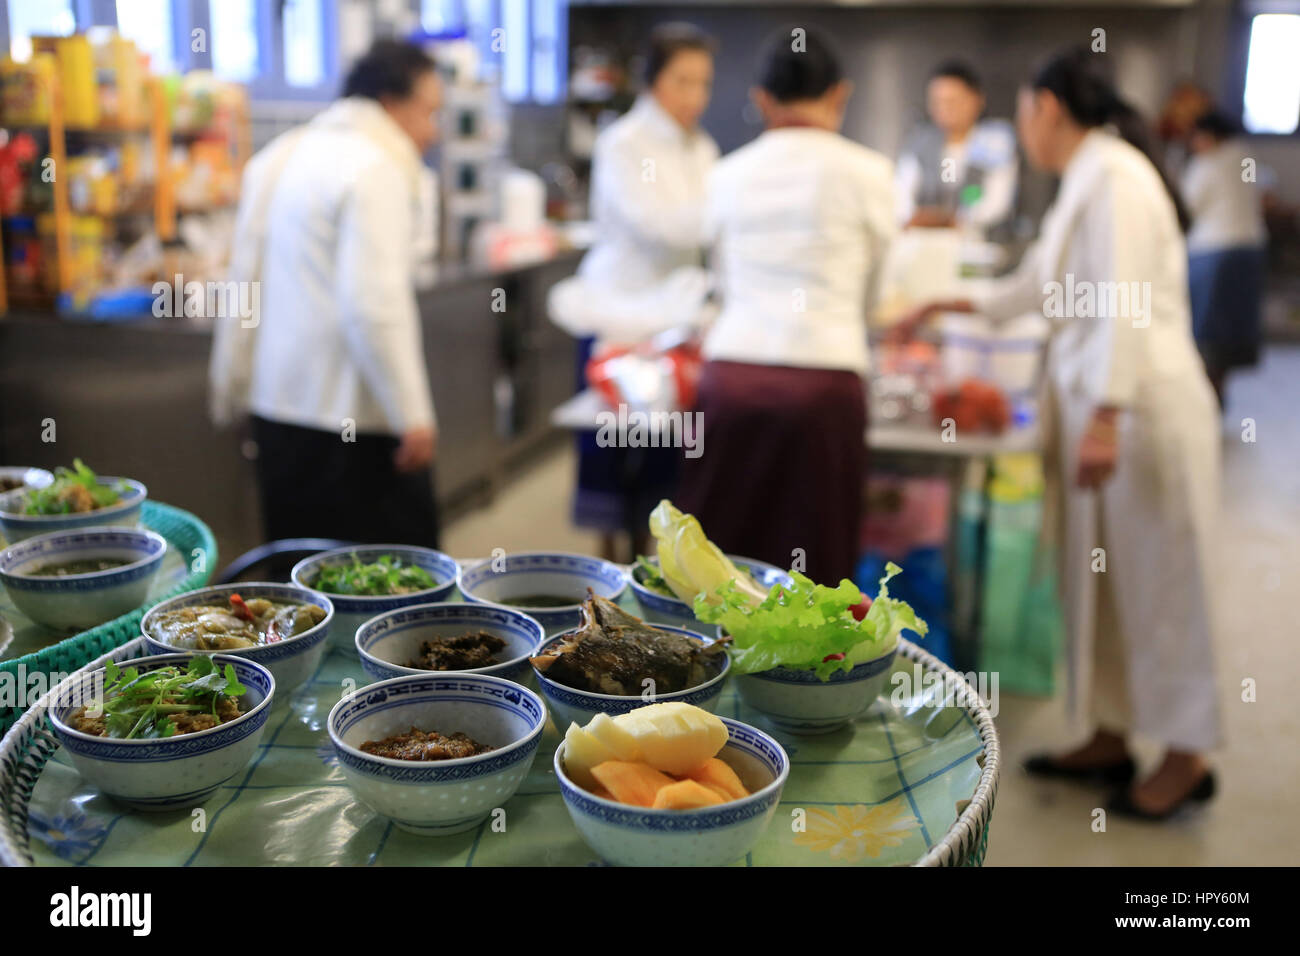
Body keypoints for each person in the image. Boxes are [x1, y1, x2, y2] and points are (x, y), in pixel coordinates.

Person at [896, 48, 1221, 821]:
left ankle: (1186, 755)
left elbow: (1126, 304)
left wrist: (1105, 417)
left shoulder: (1115, 176)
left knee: (1160, 588)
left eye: (1024, 112)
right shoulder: (1087, 176)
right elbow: (1039, 285)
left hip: (1141, 414)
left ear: (1048, 107)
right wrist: (948, 306)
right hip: (1103, 410)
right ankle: (1110, 734)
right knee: (1099, 587)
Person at [675, 27, 895, 584]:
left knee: (716, 573)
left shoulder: (724, 175)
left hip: (732, 382)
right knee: (817, 580)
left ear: (762, 101)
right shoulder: (872, 173)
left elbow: (720, 283)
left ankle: (709, 670)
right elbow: (873, 295)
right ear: (839, 95)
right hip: (826, 387)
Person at [209, 40, 442, 546]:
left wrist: (233, 390)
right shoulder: (376, 166)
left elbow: (243, 286)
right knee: (389, 596)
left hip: (279, 417)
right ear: (389, 103)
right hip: (353, 429)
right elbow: (374, 306)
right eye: (429, 112)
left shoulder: (281, 156)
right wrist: (414, 416)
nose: (434, 131)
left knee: (298, 592)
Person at [548, 22, 719, 559]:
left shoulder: (704, 147)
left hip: (676, 324)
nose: (695, 96)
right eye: (683, 81)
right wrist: (731, 213)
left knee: (666, 456)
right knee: (612, 455)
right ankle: (608, 571)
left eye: (703, 83)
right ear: (653, 81)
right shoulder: (623, 142)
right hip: (620, 320)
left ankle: (655, 563)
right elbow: (659, 226)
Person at [1182, 110, 1269, 406]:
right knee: (1233, 326)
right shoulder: (1246, 156)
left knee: (1208, 327)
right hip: (1249, 250)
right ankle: (1218, 388)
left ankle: (1206, 395)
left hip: (1213, 253)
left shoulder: (1207, 163)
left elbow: (1187, 207)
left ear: (1207, 136)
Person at [894, 60, 1018, 234]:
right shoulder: (921, 143)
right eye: (937, 102)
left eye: (952, 102)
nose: (944, 110)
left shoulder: (994, 142)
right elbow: (902, 193)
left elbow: (997, 203)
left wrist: (958, 220)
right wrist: (920, 218)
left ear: (977, 99)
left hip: (980, 243)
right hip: (926, 241)